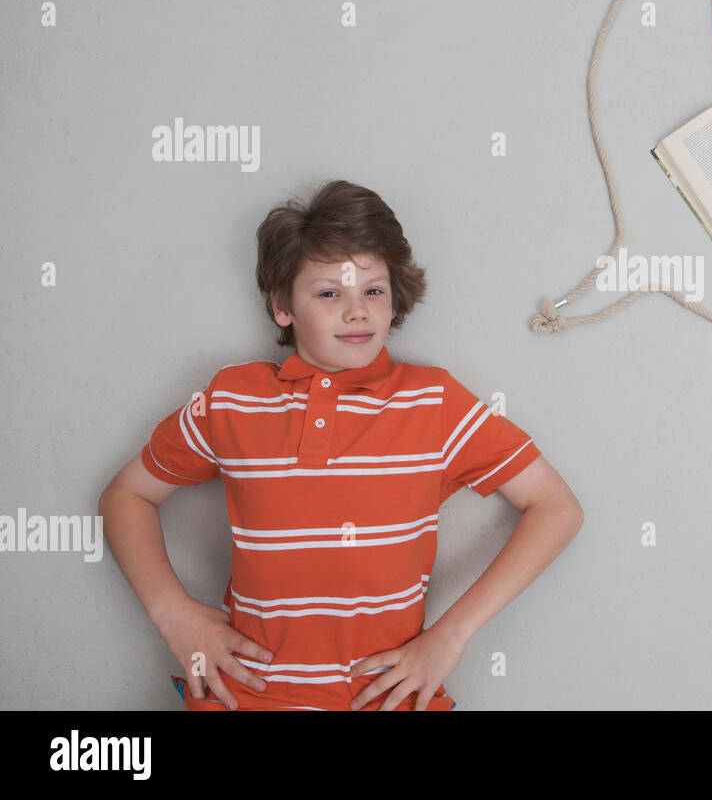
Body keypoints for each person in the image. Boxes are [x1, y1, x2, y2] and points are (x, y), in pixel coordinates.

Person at [99, 179, 583, 710]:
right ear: (283, 305)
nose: (357, 311)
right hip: (245, 696)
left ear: (394, 300)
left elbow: (556, 507)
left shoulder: (435, 402)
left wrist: (451, 636)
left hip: (390, 698)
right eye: (329, 293)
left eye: (372, 291)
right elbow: (126, 496)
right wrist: (173, 614)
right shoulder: (232, 399)